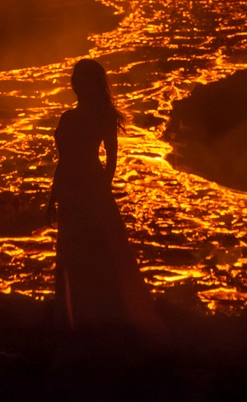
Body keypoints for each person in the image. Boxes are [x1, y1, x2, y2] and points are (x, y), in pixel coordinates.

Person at [45, 58, 164, 339]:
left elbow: (111, 162)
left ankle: (103, 322)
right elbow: (64, 161)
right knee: (73, 255)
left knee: (97, 255)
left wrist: (98, 194)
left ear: (89, 83)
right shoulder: (68, 117)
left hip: (89, 192)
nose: (73, 82)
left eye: (79, 77)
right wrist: (53, 200)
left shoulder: (102, 117)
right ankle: (74, 321)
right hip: (72, 194)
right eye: (73, 77)